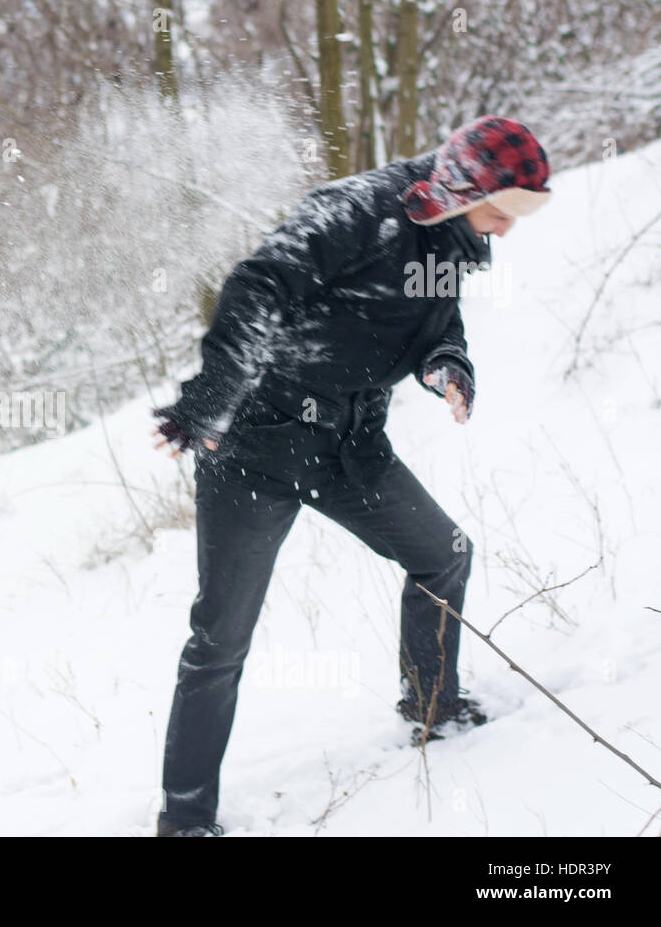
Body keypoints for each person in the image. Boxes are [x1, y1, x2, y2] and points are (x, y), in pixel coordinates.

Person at [150, 116, 552, 837]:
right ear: (463, 188)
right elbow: (257, 284)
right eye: (503, 211)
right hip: (257, 448)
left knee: (443, 555)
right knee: (220, 639)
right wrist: (213, 397)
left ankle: (433, 706)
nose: (507, 230)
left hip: (350, 446)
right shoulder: (358, 210)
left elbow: (437, 323)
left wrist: (447, 366)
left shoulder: (455, 237)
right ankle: (184, 820)